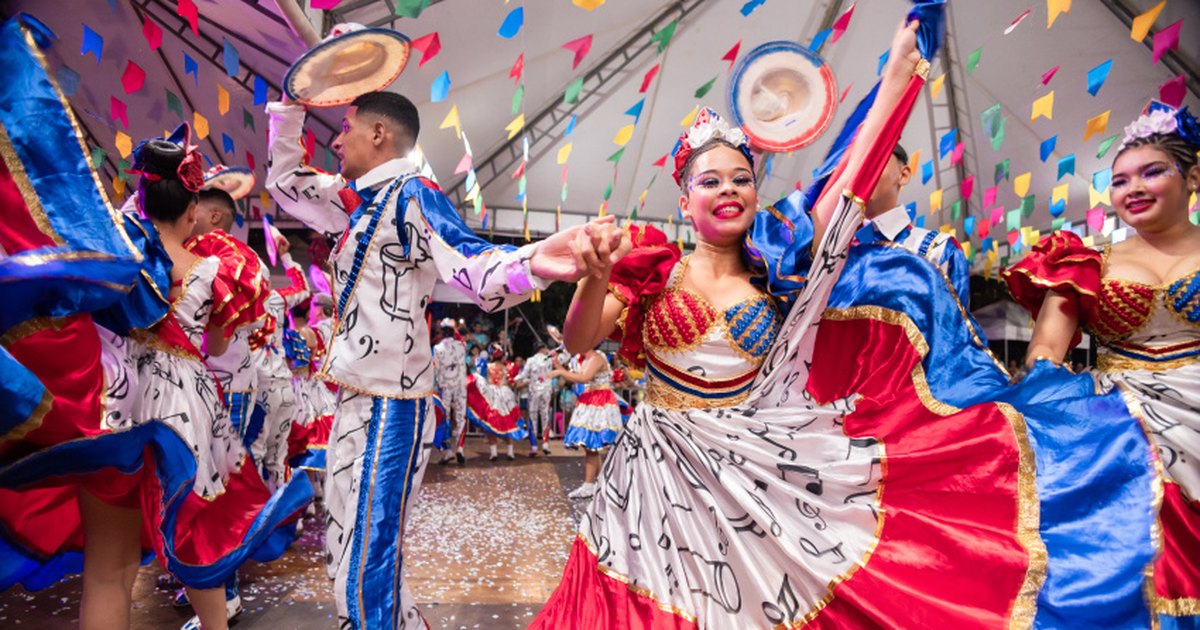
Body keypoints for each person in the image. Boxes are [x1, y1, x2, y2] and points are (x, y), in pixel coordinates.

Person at [265, 82, 620, 626]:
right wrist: (290, 108)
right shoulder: (351, 202)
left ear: (378, 133)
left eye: (344, 129)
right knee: (347, 552)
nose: (335, 142)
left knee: (366, 564)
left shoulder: (414, 195)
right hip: (354, 401)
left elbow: (471, 264)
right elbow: (287, 185)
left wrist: (539, 260)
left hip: (391, 407)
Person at [1004, 103, 1200, 621]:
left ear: (1193, 177)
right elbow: (1045, 352)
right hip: (1120, 417)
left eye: (1152, 172)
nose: (1132, 189)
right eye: (1119, 181)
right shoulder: (1086, 261)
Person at [861, 144, 971, 305]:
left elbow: (952, 326)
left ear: (903, 175)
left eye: (874, 160)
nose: (862, 173)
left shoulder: (938, 250)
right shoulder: (832, 254)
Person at [550, 349, 623, 499]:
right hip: (590, 399)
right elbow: (576, 376)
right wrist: (558, 365)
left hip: (599, 400)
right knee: (591, 447)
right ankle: (601, 483)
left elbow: (584, 378)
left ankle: (590, 485)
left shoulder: (596, 357)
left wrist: (559, 372)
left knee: (591, 446)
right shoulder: (580, 357)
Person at [465, 343, 528, 461]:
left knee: (491, 421)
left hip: (491, 395)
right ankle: (510, 452)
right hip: (506, 395)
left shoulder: (486, 366)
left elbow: (479, 377)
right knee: (509, 421)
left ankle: (493, 452)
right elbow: (511, 383)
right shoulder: (508, 367)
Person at [432, 317, 468, 465]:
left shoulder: (437, 348)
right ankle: (460, 447)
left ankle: (447, 451)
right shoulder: (462, 345)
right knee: (461, 416)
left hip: (445, 385)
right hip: (460, 384)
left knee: (445, 417)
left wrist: (433, 387)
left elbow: (434, 369)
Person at [516, 341, 556, 455]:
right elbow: (562, 356)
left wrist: (513, 378)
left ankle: (534, 446)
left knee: (532, 418)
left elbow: (523, 375)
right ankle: (545, 444)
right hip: (546, 391)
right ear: (542, 348)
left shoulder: (530, 360)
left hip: (534, 392)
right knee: (545, 416)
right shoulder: (548, 358)